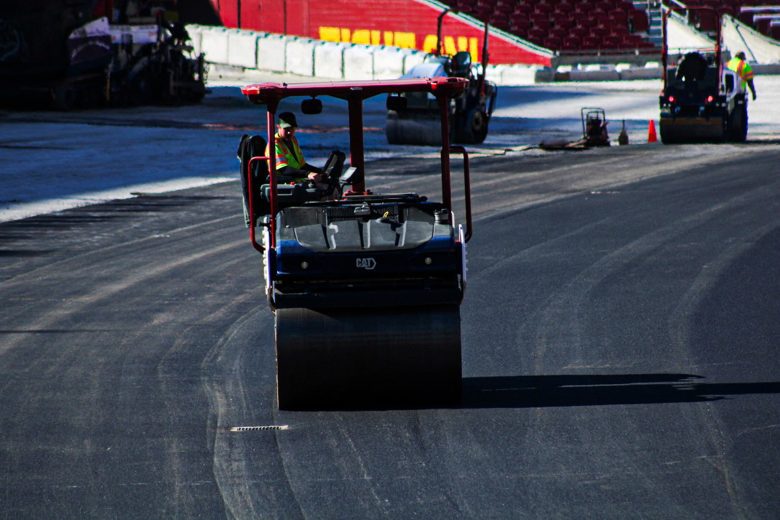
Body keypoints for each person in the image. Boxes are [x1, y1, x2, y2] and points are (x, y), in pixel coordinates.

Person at [266, 112, 329, 187]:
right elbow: (283, 169)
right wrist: (308, 174)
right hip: (283, 184)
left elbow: (302, 165)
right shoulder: (274, 144)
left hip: (297, 180)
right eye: (286, 129)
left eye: (292, 128)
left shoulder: (293, 140)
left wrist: (320, 171)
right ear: (278, 126)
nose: (289, 132)